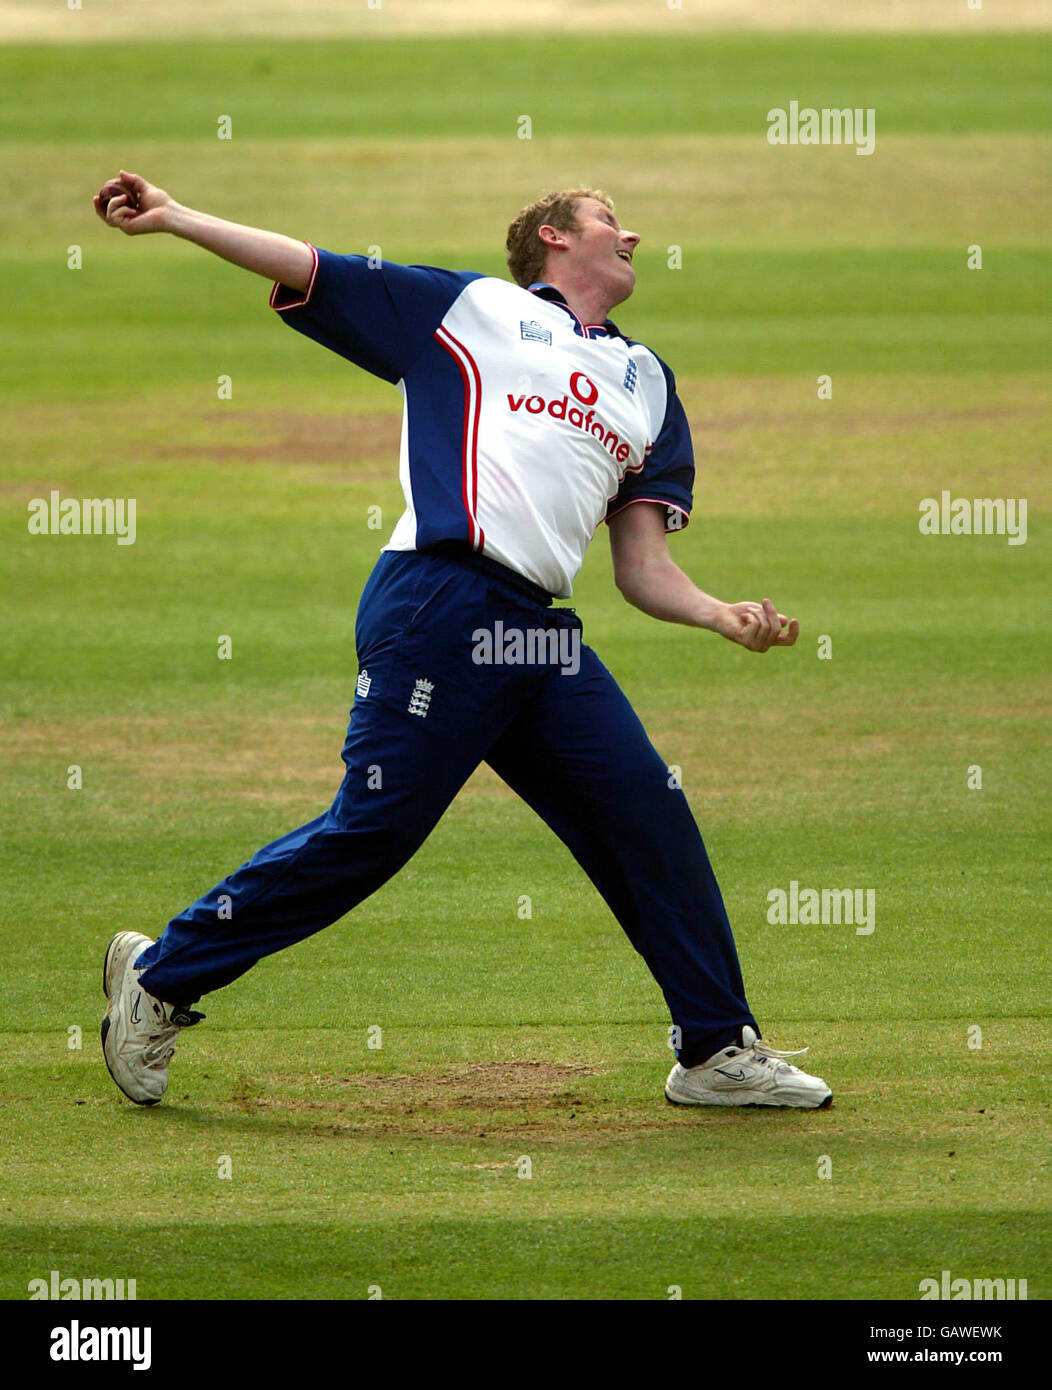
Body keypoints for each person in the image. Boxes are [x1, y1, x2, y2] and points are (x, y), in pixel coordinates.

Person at [94, 170, 832, 1112]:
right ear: (556, 240)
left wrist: (720, 612)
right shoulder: (472, 307)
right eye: (611, 220)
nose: (633, 235)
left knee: (647, 808)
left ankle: (716, 1048)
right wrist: (176, 216)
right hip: (439, 601)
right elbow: (311, 266)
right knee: (373, 832)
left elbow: (641, 567)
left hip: (538, 637)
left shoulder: (648, 383)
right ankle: (162, 976)